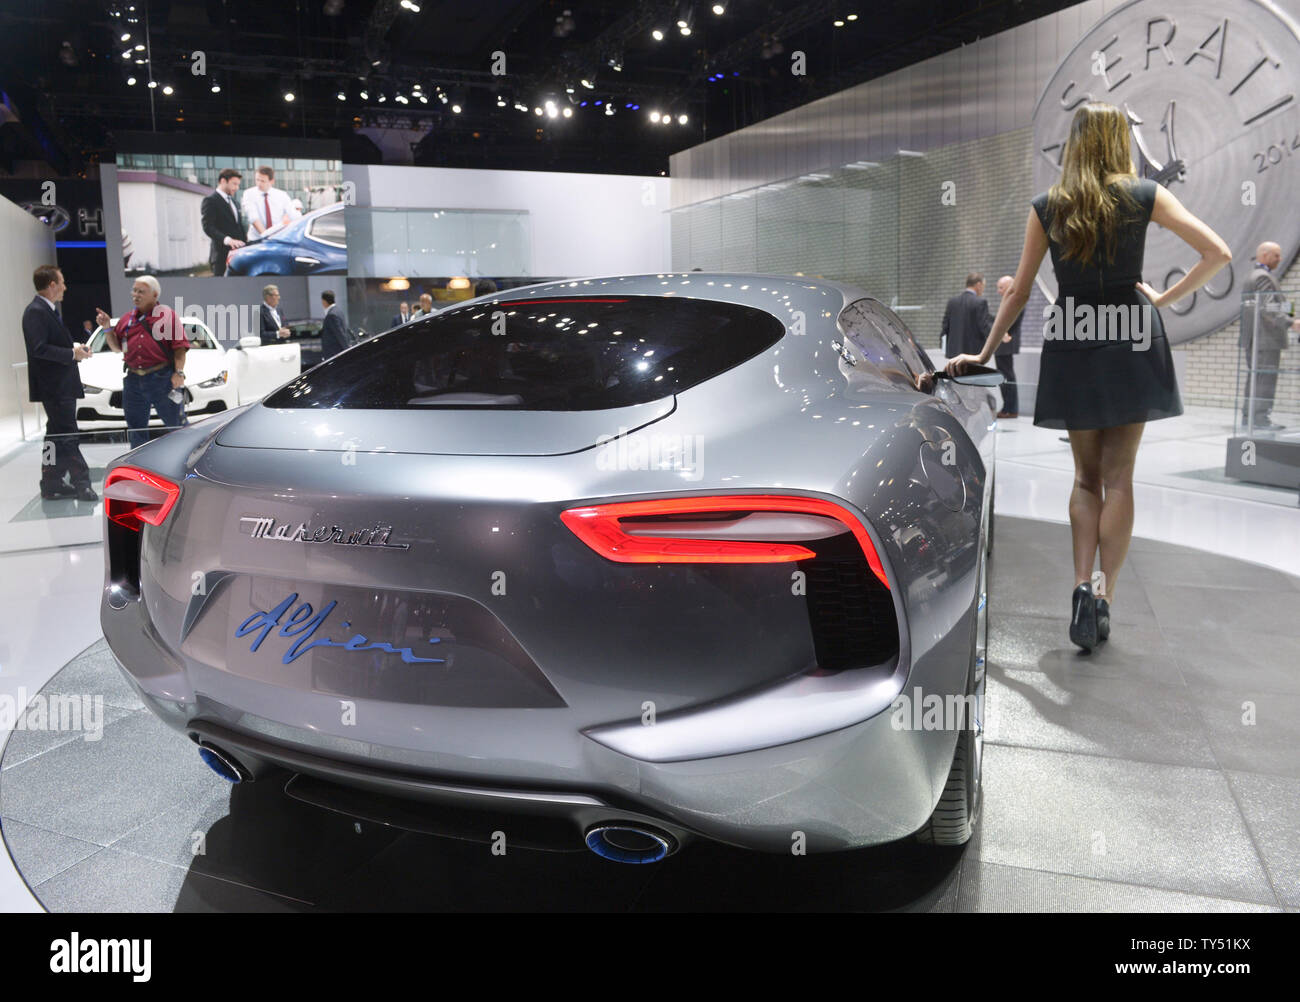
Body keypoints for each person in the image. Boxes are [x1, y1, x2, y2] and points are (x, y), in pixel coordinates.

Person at [946, 101, 1231, 651]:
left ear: (1075, 145)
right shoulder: (1146, 195)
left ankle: (1078, 584)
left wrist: (983, 355)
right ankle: (1102, 594)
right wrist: (1163, 298)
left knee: (1085, 480)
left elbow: (1020, 291)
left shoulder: (1049, 205)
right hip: (1132, 334)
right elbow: (1216, 252)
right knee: (1121, 479)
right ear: (1119, 141)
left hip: (1074, 336)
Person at [23, 265, 96, 501]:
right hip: (54, 388)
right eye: (62, 282)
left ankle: (51, 482)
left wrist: (73, 350)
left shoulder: (47, 310)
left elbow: (49, 345)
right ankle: (81, 482)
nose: (65, 287)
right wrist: (71, 355)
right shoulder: (36, 311)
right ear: (52, 285)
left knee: (53, 438)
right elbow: (39, 349)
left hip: (59, 385)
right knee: (67, 436)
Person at [96, 275, 191, 450]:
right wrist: (107, 327)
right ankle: (140, 469)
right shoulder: (127, 319)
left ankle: (187, 461)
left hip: (162, 379)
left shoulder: (167, 316)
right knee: (136, 430)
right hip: (133, 380)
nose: (136, 295)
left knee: (177, 426)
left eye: (142, 291)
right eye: (134, 290)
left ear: (155, 295)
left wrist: (179, 373)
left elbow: (179, 348)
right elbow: (117, 347)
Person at [1238, 241, 1300, 431]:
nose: (1280, 259)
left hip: (1257, 339)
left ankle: (1250, 417)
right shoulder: (1263, 277)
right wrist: (1292, 322)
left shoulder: (1255, 275)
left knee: (1256, 378)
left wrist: (1290, 314)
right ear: (1264, 255)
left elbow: (1269, 305)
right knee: (1264, 380)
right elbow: (1267, 307)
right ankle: (1260, 419)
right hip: (1265, 339)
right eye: (1276, 255)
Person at [200, 168, 246, 276]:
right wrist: (228, 240)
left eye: (238, 185)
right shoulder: (210, 201)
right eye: (234, 184)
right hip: (221, 257)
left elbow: (238, 227)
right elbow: (208, 227)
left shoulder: (235, 203)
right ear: (223, 181)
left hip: (238, 256)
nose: (237, 188)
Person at [940, 273, 992, 359]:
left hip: (954, 352)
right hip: (973, 353)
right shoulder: (980, 302)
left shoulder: (952, 302)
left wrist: (944, 347)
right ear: (978, 285)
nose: (983, 289)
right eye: (983, 286)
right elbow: (984, 326)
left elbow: (945, 326)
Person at [240, 165, 299, 240]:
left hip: (277, 238)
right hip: (256, 239)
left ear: (272, 181)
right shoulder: (249, 194)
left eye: (263, 181)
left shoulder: (282, 195)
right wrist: (267, 237)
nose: (259, 184)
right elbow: (253, 217)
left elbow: (294, 216)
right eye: (257, 180)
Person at [993, 274, 1021, 418]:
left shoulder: (1013, 301)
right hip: (1002, 344)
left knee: (1007, 376)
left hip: (1006, 343)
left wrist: (1004, 332)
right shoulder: (1007, 301)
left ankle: (1010, 409)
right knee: (1004, 376)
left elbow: (1010, 321)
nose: (998, 291)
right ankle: (1008, 408)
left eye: (1001, 287)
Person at [319, 290, 348, 361]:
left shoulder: (331, 315)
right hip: (337, 352)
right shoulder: (338, 311)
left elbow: (340, 334)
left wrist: (348, 351)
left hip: (334, 354)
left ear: (324, 301)